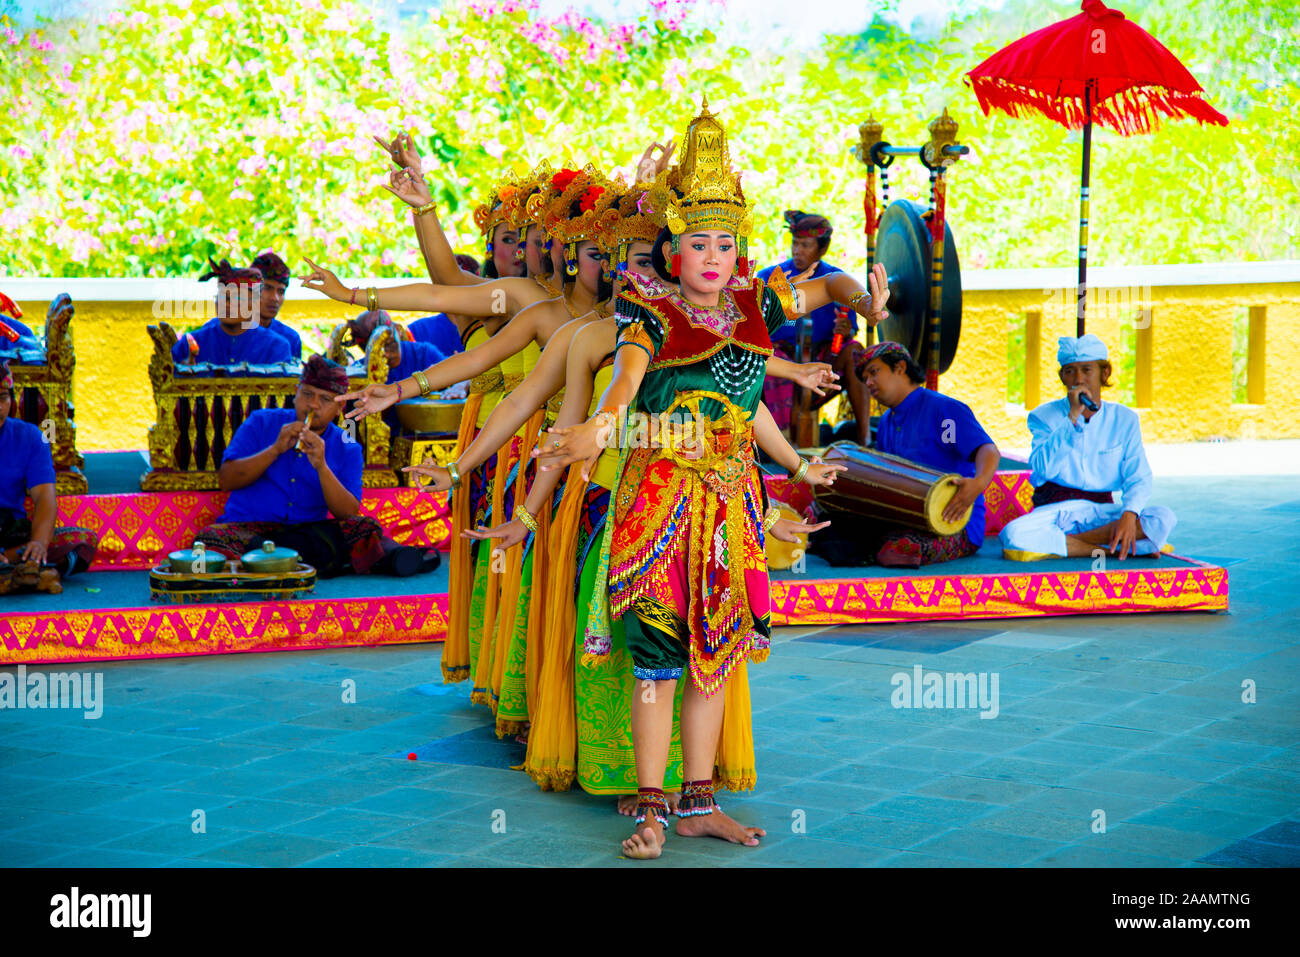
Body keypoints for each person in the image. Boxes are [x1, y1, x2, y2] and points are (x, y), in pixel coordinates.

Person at [535, 99, 888, 859]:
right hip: (660, 504)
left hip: (730, 505)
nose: (714, 257)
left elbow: (792, 342)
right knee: (658, 657)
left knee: (716, 653)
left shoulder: (754, 304)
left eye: (726, 244)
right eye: (699, 243)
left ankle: (699, 804)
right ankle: (653, 809)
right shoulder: (649, 311)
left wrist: (866, 300)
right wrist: (601, 425)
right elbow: (624, 388)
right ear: (673, 249)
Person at [192, 355, 432, 577]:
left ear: (339, 408)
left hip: (306, 532)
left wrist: (322, 467)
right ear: (296, 394)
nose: (313, 405)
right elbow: (226, 481)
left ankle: (277, 563)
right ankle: (312, 563)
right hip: (249, 530)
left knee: (363, 527)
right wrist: (275, 449)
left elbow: (348, 513)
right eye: (307, 394)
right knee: (211, 538)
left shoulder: (347, 445)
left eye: (325, 399)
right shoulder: (261, 422)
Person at [1000, 334, 1176, 561]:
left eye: (1087, 370)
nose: (1078, 378)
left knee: (1162, 518)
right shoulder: (1043, 416)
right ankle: (1107, 549)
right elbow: (1043, 469)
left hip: (1101, 514)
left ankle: (1077, 544)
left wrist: (1130, 515)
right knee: (1013, 534)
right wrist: (1072, 418)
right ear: (1063, 377)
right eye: (1070, 371)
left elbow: (1138, 475)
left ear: (1104, 374)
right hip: (1056, 513)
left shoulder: (1124, 419)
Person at [855, 341, 1000, 567]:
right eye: (865, 378)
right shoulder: (885, 422)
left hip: (953, 522)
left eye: (874, 372)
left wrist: (978, 483)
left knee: (900, 549)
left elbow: (987, 450)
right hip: (907, 518)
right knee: (834, 524)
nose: (869, 382)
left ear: (900, 368)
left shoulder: (945, 410)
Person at [760, 211, 873, 443]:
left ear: (823, 248)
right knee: (765, 356)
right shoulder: (769, 276)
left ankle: (865, 438)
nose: (797, 251)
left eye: (805, 245)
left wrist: (845, 331)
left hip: (822, 355)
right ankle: (781, 442)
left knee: (854, 352)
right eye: (795, 243)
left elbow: (850, 330)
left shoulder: (837, 280)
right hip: (781, 356)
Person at [0, 360, 98, 593]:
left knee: (82, 541)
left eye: (3, 397)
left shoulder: (32, 436)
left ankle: (16, 563)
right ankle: (27, 571)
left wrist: (39, 543)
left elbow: (44, 495)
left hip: (11, 532)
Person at [170, 258, 294, 366]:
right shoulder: (191, 343)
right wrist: (181, 375)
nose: (227, 304)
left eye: (236, 298)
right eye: (223, 297)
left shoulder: (276, 348)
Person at [250, 250, 303, 359]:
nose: (275, 298)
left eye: (281, 291)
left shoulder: (291, 339)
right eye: (267, 288)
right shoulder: (226, 332)